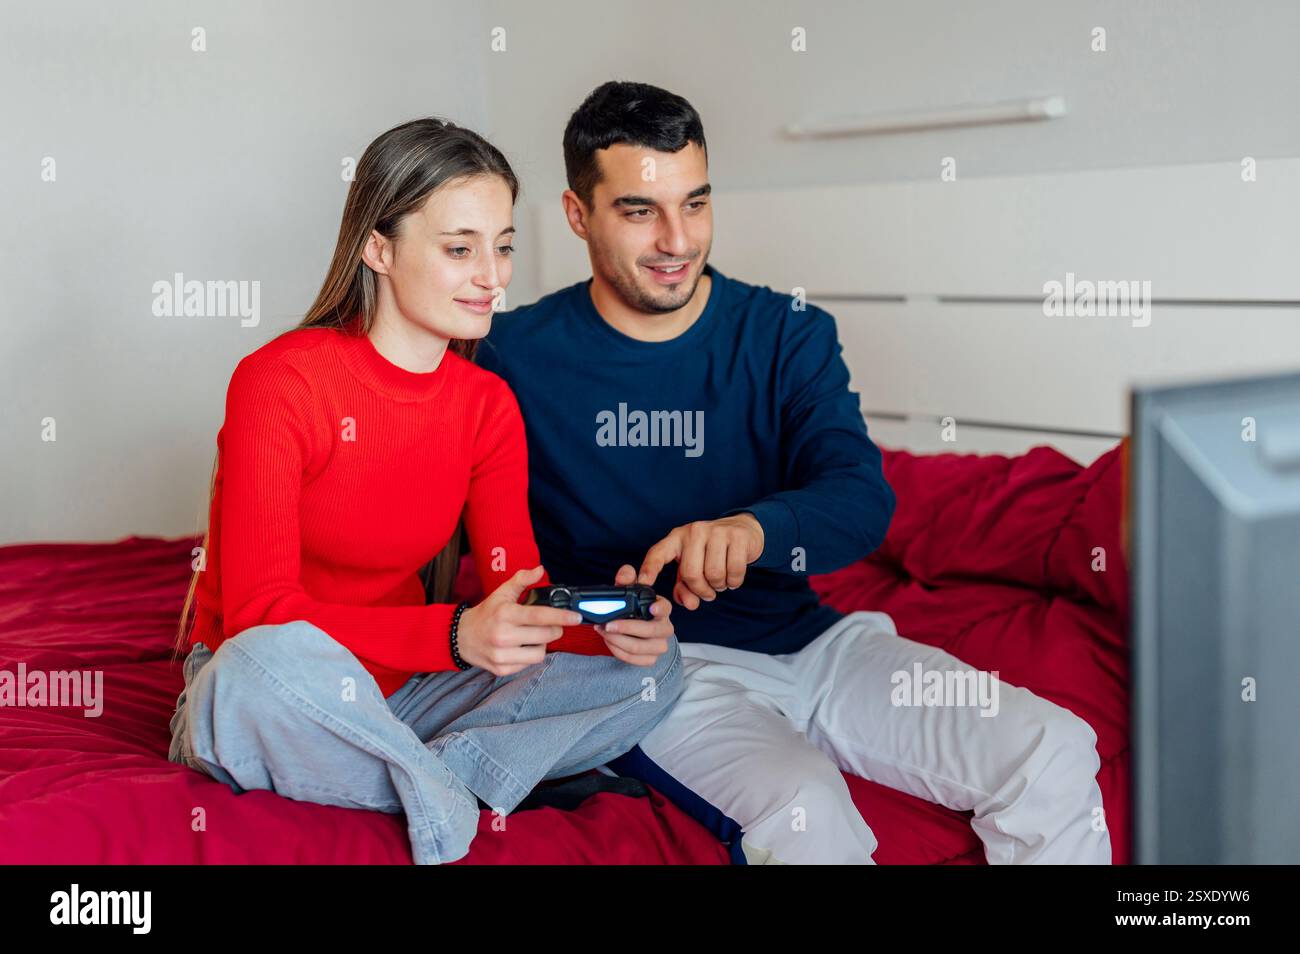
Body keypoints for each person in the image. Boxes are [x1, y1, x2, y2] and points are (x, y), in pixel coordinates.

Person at [474, 81, 1112, 864]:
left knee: (1052, 746)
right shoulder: (510, 355)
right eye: (640, 211)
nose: (678, 238)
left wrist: (752, 529)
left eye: (696, 203)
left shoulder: (789, 332)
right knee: (806, 810)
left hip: (818, 645)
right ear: (579, 215)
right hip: (655, 670)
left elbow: (860, 498)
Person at [166, 116, 683, 865]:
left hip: (414, 689)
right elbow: (258, 617)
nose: (493, 276)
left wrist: (600, 627)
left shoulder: (485, 406)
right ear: (378, 247)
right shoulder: (280, 382)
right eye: (459, 249)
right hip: (289, 692)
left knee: (655, 670)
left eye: (503, 247)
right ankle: (458, 789)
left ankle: (422, 780)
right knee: (248, 670)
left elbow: (518, 595)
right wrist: (451, 634)